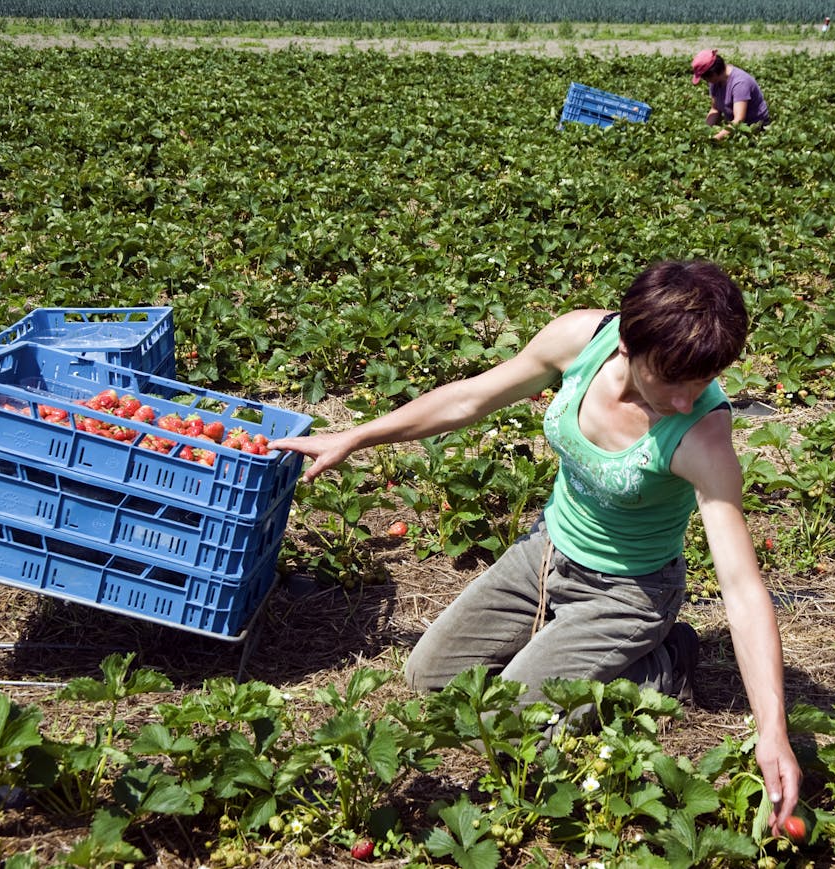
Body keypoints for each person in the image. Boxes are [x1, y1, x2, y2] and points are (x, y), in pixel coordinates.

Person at [269, 260, 801, 835]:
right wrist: (357, 435)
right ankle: (570, 650)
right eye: (670, 378)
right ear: (626, 341)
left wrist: (772, 727)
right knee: (428, 678)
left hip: (629, 592)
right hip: (545, 555)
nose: (684, 399)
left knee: (507, 725)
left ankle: (663, 660)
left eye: (702, 381)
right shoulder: (580, 341)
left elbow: (741, 587)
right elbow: (469, 399)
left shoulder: (702, 436)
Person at [690, 49, 771, 141]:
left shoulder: (740, 83)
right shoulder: (715, 81)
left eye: (704, 78)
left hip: (753, 127)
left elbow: (739, 120)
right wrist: (704, 131)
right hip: (733, 125)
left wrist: (715, 139)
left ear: (713, 73)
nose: (705, 81)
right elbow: (715, 109)